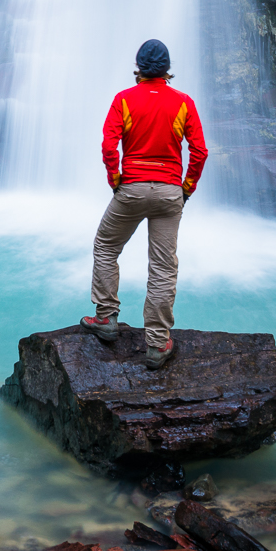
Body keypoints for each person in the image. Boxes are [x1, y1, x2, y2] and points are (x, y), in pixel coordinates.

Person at [81, 38, 207, 370]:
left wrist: (115, 180)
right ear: (167, 70)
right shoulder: (183, 102)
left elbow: (109, 146)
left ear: (138, 68)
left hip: (132, 188)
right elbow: (200, 151)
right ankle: (156, 343)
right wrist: (187, 188)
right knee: (163, 267)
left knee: (106, 246)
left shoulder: (124, 99)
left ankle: (106, 318)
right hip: (169, 192)